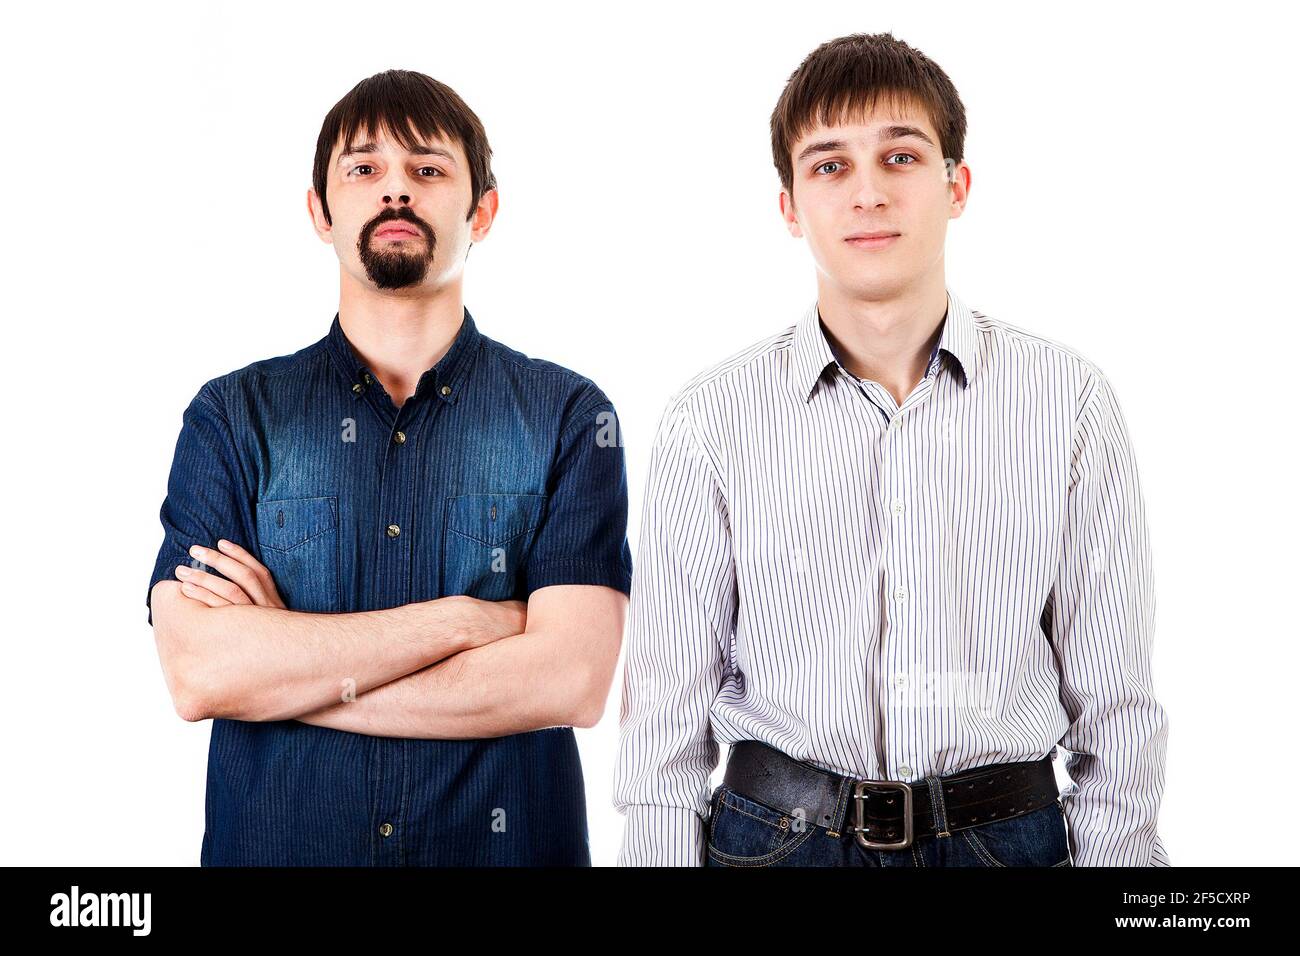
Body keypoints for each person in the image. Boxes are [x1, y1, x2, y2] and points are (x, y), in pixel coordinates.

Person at [613, 32, 1170, 867]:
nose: (867, 194)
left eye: (901, 157)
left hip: (1005, 843)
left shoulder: (1070, 402)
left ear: (957, 187)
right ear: (790, 207)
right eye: (830, 166)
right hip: (776, 844)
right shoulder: (712, 419)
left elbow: (1117, 703)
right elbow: (663, 712)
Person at [147, 69, 632, 866]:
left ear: (483, 211)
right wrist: (465, 622)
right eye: (364, 169)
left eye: (428, 170)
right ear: (319, 209)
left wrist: (286, 666)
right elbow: (201, 671)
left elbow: (569, 681)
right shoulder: (232, 417)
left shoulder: (570, 417)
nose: (395, 191)